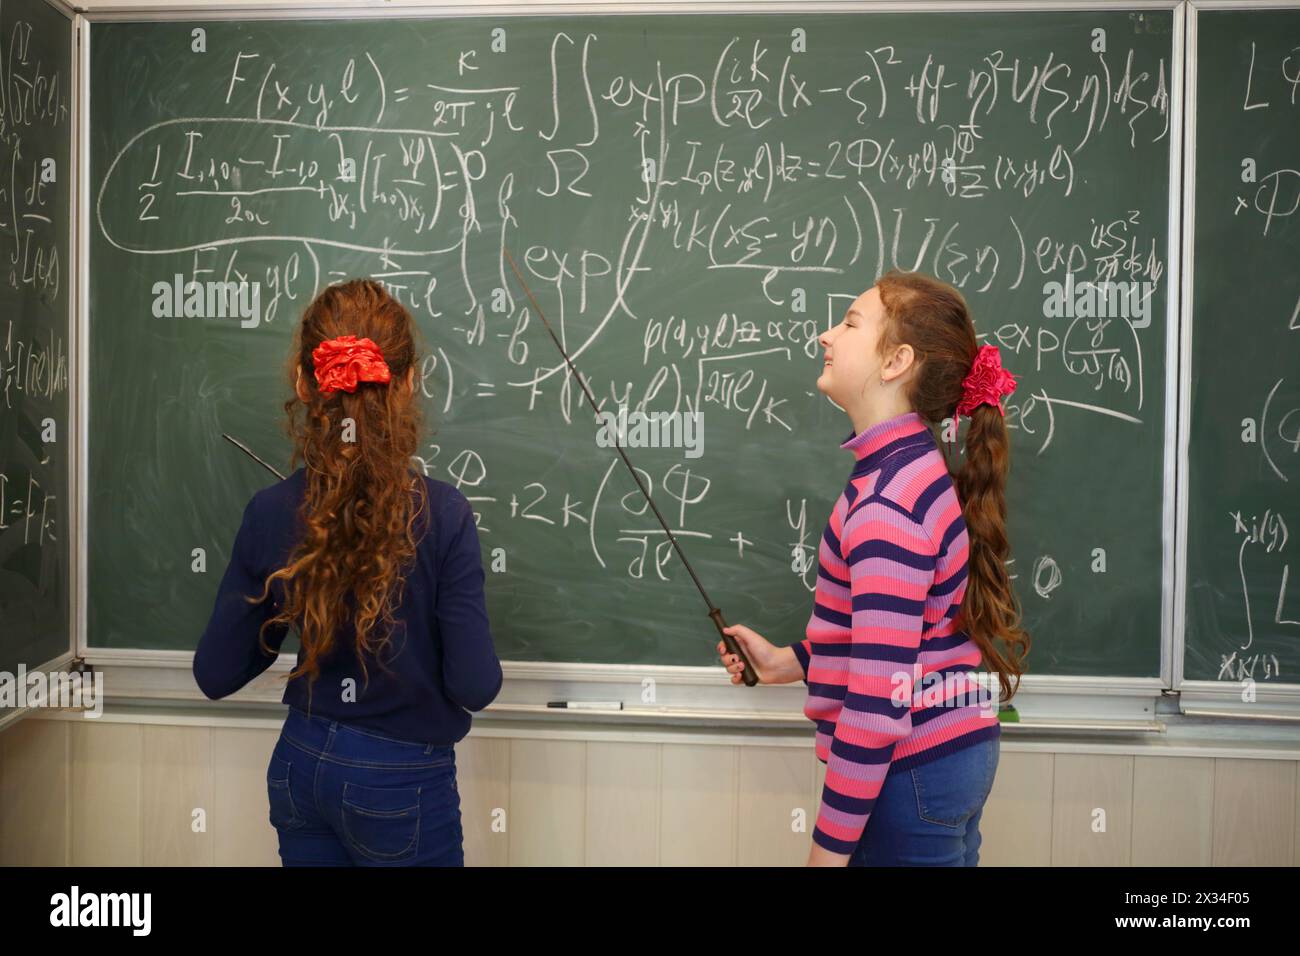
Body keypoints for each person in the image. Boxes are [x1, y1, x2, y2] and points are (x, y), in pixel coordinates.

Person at [717, 269, 1030, 867]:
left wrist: (826, 856)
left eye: (850, 323)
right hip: (948, 755)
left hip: (910, 770)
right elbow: (895, 642)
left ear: (896, 362)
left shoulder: (887, 504)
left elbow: (876, 705)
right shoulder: (906, 472)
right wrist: (787, 663)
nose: (825, 336)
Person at [194, 278, 502, 866]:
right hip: (402, 781)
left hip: (300, 767)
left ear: (304, 385)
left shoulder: (271, 512)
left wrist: (291, 584)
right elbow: (475, 686)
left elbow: (216, 671)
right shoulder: (444, 514)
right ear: (408, 383)